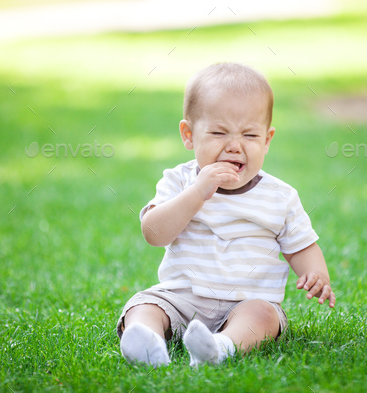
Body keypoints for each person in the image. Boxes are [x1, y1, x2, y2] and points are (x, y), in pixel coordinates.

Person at [117, 62, 336, 367]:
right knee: (144, 305)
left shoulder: (280, 197)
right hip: (182, 299)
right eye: (219, 132)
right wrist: (197, 193)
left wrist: (316, 274)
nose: (234, 146)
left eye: (249, 135)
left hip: (245, 302)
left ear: (267, 140)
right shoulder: (179, 181)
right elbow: (154, 233)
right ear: (189, 134)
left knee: (263, 314)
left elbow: (302, 246)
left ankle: (221, 348)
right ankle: (148, 341)